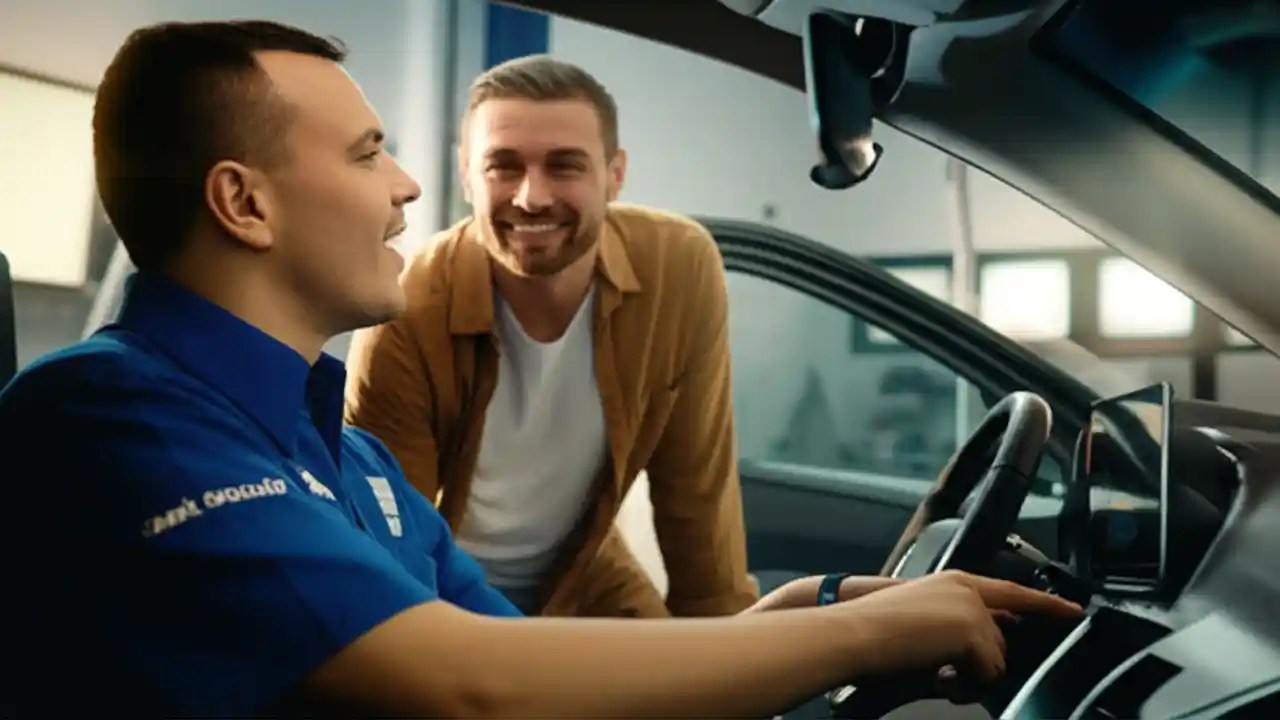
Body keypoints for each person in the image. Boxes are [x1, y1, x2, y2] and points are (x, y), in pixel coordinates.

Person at [0, 20, 1082, 718]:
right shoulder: (105, 419)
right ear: (244, 203)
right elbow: (471, 687)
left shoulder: (354, 464)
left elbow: (530, 668)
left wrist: (817, 605)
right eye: (369, 152)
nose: (409, 187)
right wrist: (865, 633)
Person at [344, 55, 756, 618]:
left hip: (585, 574)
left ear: (615, 174)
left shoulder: (677, 265)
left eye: (564, 166)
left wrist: (729, 661)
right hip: (444, 592)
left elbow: (698, 493)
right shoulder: (408, 307)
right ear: (466, 172)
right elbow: (394, 546)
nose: (532, 197)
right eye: (503, 167)